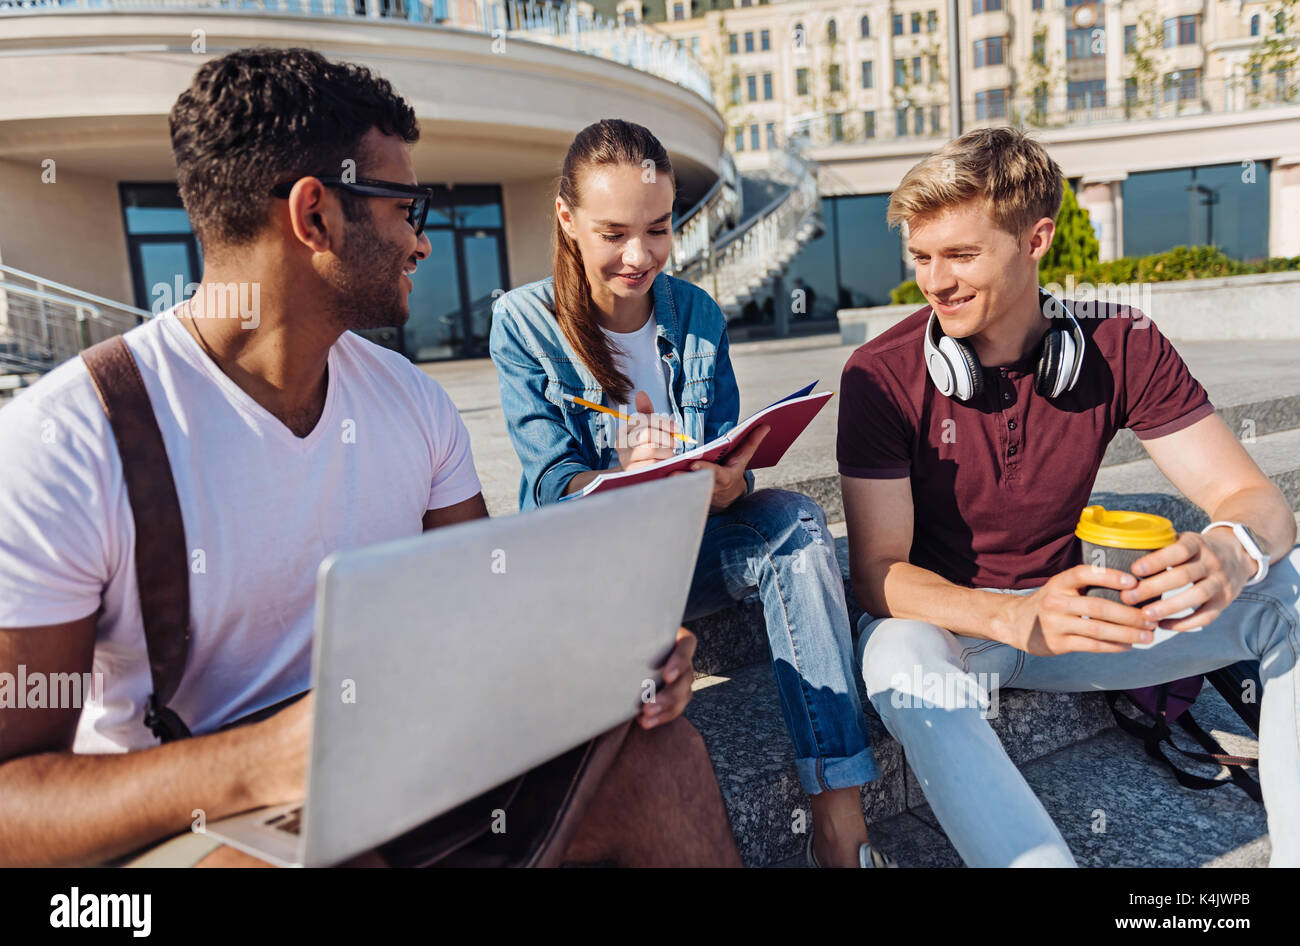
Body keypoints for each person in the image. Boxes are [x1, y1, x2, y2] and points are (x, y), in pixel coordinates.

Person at [0, 48, 740, 868]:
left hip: (409, 763)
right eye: (406, 207)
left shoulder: (413, 405)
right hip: (199, 817)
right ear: (314, 217)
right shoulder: (69, 440)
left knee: (659, 760)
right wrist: (259, 763)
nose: (422, 243)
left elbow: (492, 610)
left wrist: (617, 651)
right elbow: (12, 800)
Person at [838, 125, 1300, 867]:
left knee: (1290, 584)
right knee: (895, 652)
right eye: (921, 256)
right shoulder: (880, 375)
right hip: (958, 630)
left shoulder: (1125, 343)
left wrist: (1231, 549)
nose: (934, 281)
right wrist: (1012, 614)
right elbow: (877, 572)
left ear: (1036, 239)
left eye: (960, 255)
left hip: (1075, 621)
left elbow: (1256, 498)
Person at [489, 118, 894, 868]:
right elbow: (549, 487)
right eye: (613, 233)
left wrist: (730, 481)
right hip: (589, 568)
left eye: (658, 228)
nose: (638, 255)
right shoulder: (523, 323)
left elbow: (728, 453)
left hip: (687, 549)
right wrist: (616, 477)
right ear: (567, 219)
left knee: (800, 526)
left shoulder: (698, 316)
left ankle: (843, 831)